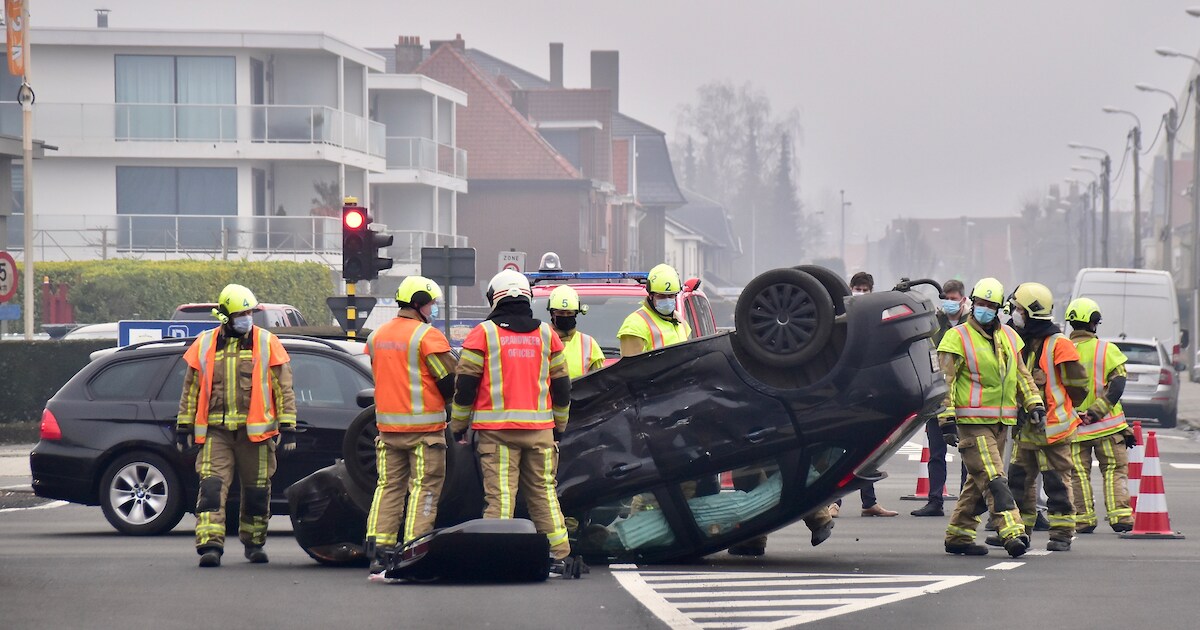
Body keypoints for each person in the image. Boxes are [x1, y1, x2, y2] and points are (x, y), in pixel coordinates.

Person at [450, 269, 578, 574]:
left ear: (495, 298)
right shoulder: (548, 335)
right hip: (540, 433)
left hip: (498, 434)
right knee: (544, 495)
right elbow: (562, 389)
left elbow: (465, 387)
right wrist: (558, 427)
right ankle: (560, 555)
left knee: (501, 498)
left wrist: (458, 427)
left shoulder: (482, 334)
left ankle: (498, 556)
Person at [176, 283, 296, 568]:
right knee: (212, 488)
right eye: (241, 313)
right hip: (216, 432)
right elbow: (191, 389)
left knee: (256, 491)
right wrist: (184, 426)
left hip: (254, 435)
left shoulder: (267, 343)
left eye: (249, 312)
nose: (247, 318)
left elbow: (283, 388)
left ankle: (254, 544)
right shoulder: (205, 344)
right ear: (226, 316)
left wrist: (288, 425)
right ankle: (210, 545)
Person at [938, 277, 1044, 557]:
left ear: (999, 308)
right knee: (995, 480)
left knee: (978, 482)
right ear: (972, 303)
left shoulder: (1010, 337)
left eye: (989, 305)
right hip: (972, 425)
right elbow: (945, 381)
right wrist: (946, 418)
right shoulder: (956, 337)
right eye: (979, 303)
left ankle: (958, 535)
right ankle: (1012, 532)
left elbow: (1022, 375)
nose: (983, 309)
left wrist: (1034, 404)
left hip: (1001, 424)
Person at [363, 276, 457, 573]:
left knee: (388, 487)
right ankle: (414, 548)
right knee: (424, 489)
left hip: (387, 429)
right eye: (430, 304)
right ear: (418, 303)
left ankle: (379, 548)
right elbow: (449, 382)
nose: (433, 309)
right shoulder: (427, 337)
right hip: (425, 432)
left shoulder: (376, 336)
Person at [993, 282, 1087, 552]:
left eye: (1018, 308)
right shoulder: (1020, 340)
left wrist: (1061, 407)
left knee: (1056, 482)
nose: (1014, 313)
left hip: (1054, 429)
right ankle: (1020, 532)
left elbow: (1078, 386)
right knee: (1020, 482)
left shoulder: (1060, 344)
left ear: (1031, 312)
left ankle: (1061, 534)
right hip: (1027, 429)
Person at [1065, 297, 1135, 534]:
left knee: (1078, 474)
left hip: (1075, 427)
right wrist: (1096, 412)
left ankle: (1083, 519)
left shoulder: (1062, 350)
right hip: (1108, 426)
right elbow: (1117, 385)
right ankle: (1120, 517)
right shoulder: (1107, 349)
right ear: (1095, 323)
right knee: (1114, 470)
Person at [833, 271, 898, 518]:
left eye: (864, 289)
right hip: (845, 391)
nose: (860, 293)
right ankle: (834, 502)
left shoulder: (875, 320)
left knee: (868, 450)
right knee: (840, 450)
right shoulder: (841, 318)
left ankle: (869, 502)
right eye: (857, 288)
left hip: (869, 391)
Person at [912, 278, 969, 517]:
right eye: (945, 299)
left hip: (964, 400)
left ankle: (968, 503)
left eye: (954, 299)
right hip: (938, 396)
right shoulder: (934, 324)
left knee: (968, 455)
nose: (949, 303)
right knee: (936, 452)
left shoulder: (971, 326)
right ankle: (935, 500)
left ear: (963, 300)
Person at [617, 263, 691, 357]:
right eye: (661, 296)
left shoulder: (679, 320)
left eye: (671, 296)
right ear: (651, 296)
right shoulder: (634, 325)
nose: (667, 300)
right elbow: (630, 368)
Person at [547, 285, 605, 377]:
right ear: (552, 314)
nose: (565, 316)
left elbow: (599, 381)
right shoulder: (542, 339)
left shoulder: (588, 343)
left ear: (576, 314)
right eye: (560, 313)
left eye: (569, 313)